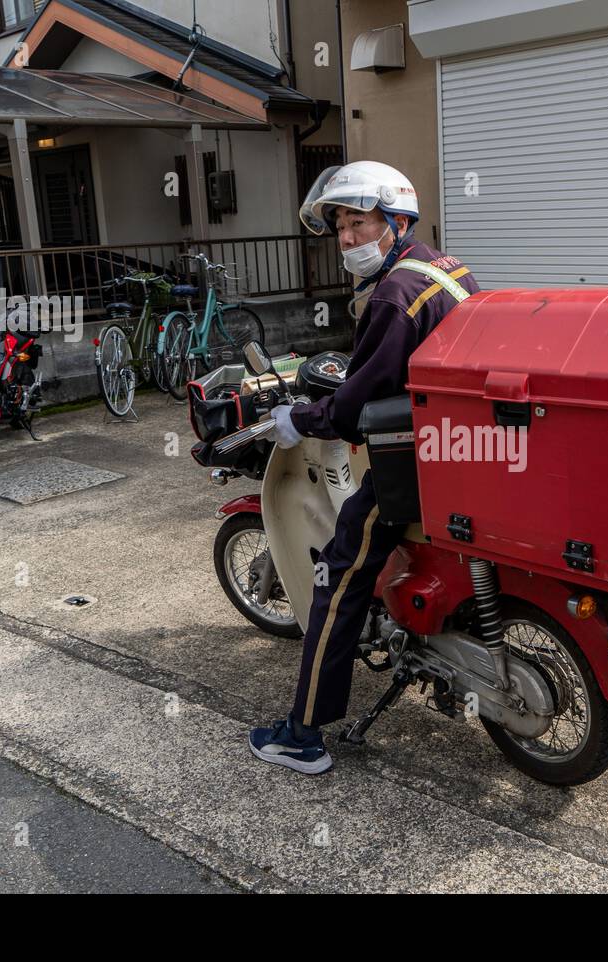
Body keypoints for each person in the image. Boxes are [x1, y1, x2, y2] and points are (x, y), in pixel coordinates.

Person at [248, 161, 479, 774]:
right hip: (464, 452)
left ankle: (304, 735)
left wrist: (304, 419)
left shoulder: (395, 294)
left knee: (337, 577)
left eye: (358, 222)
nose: (347, 239)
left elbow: (358, 405)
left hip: (412, 465)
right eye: (341, 227)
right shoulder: (445, 268)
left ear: (395, 220)